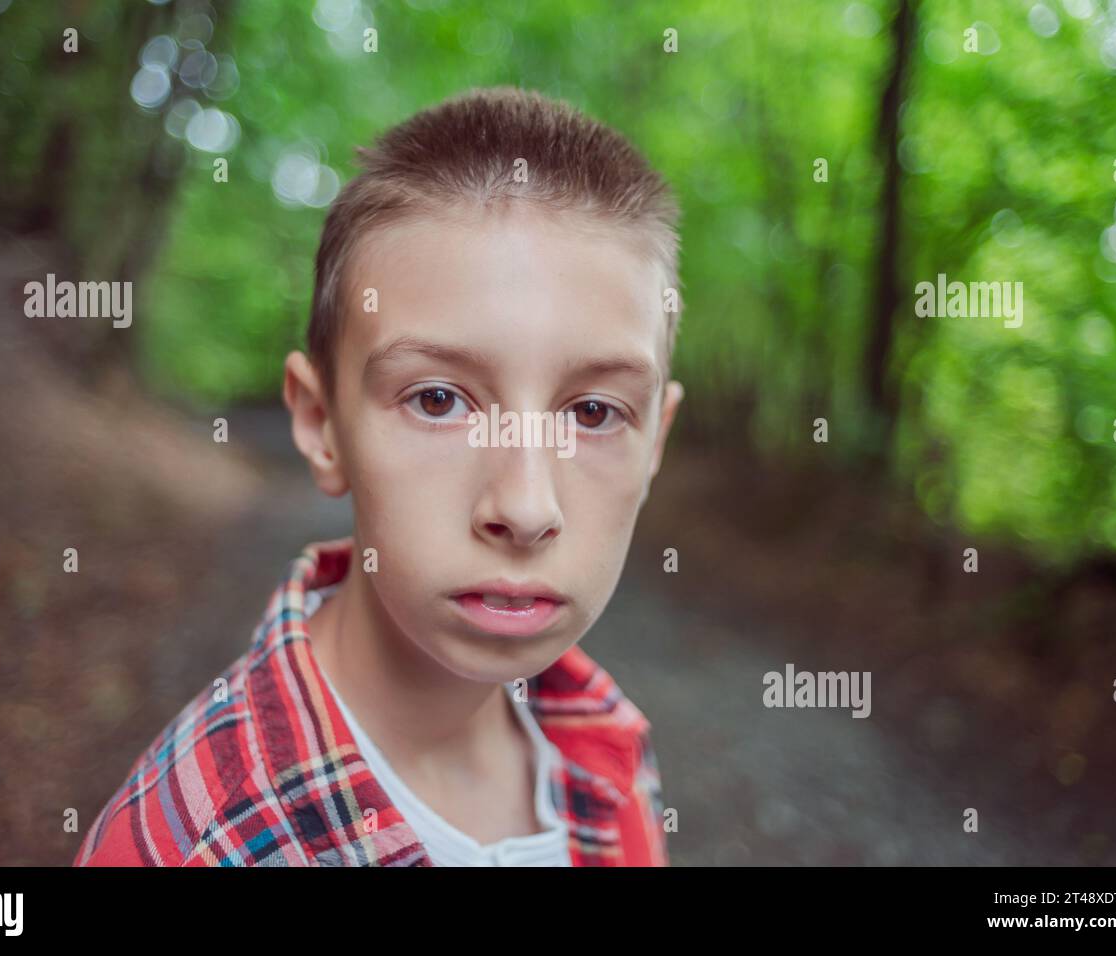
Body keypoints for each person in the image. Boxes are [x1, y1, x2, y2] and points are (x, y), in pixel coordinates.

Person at [74, 86, 684, 867]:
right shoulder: (190, 844)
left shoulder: (608, 749)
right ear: (322, 425)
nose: (526, 507)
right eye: (438, 399)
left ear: (656, 440)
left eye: (594, 413)